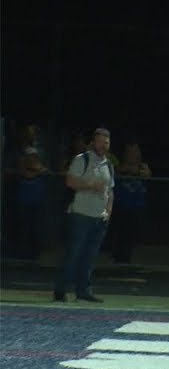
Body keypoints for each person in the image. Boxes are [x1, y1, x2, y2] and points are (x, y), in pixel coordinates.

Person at [55, 127, 114, 303]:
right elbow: (70, 181)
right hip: (81, 214)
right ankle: (61, 289)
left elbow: (110, 191)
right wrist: (91, 185)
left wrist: (108, 212)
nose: (103, 145)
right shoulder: (83, 159)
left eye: (106, 142)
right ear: (93, 142)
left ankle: (84, 290)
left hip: (99, 217)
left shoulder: (108, 164)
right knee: (74, 253)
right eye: (100, 141)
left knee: (90, 256)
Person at [110, 142, 151, 264]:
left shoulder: (143, 166)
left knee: (131, 234)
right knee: (119, 233)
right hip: (120, 205)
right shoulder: (119, 166)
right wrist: (127, 170)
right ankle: (118, 257)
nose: (132, 155)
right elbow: (117, 171)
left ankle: (126, 258)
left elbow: (146, 175)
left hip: (136, 205)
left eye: (135, 152)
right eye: (130, 152)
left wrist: (135, 171)